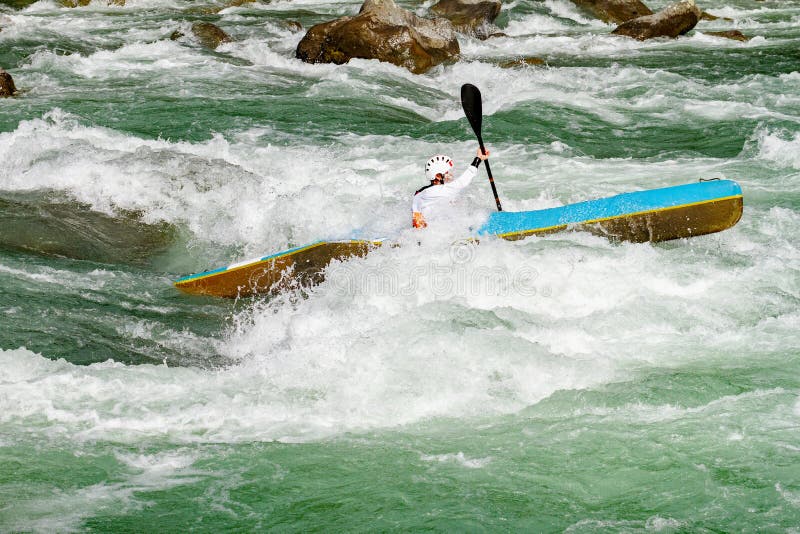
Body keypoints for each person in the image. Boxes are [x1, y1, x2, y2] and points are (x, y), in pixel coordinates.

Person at [411, 148, 490, 228]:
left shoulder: (423, 192)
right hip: (433, 235)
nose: (451, 175)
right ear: (438, 176)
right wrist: (478, 158)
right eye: (447, 172)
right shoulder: (435, 192)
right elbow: (462, 182)